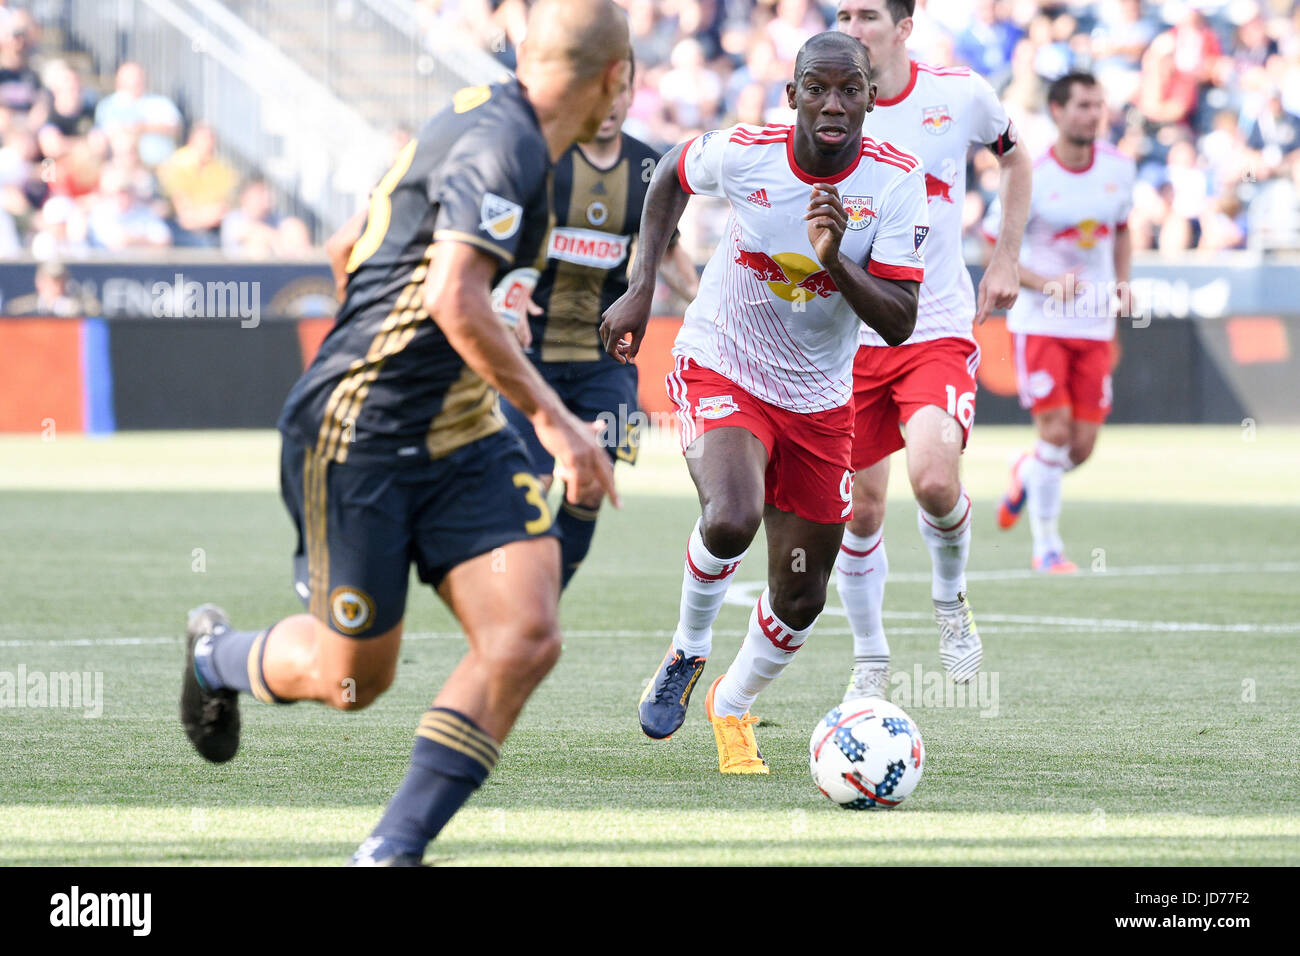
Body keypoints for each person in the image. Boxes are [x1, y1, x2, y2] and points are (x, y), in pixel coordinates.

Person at [178, 0, 630, 866]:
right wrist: (558, 421)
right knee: (351, 681)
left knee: (526, 636)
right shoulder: (512, 147)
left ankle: (391, 849)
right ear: (616, 81)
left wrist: (455, 343)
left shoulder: (480, 113)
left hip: (458, 432)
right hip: (362, 437)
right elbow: (452, 296)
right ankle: (218, 656)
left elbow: (352, 246)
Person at [603, 31, 927, 773]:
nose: (834, 103)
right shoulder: (747, 153)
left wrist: (834, 261)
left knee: (804, 592)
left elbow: (900, 320)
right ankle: (687, 648)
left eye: (851, 89)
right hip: (725, 360)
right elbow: (669, 177)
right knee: (732, 514)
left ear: (872, 99)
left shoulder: (896, 183)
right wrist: (642, 283)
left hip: (819, 396)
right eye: (818, 87)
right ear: (793, 97)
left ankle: (733, 700)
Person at [833, 0, 1031, 700]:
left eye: (866, 16)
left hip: (933, 327)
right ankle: (870, 662)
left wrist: (1005, 258)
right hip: (846, 338)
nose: (852, 29)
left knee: (937, 480)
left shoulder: (959, 95)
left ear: (903, 27)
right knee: (858, 510)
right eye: (843, 14)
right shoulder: (824, 105)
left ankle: (950, 600)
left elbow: (1016, 156)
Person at [501, 54, 698, 589]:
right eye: (600, 88)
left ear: (633, 93)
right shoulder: (544, 157)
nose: (610, 103)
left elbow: (669, 252)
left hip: (603, 362)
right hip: (530, 358)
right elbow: (497, 237)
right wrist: (508, 291)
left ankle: (543, 597)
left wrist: (708, 304)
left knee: (591, 482)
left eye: (621, 90)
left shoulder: (648, 169)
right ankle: (516, 597)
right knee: (531, 482)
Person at [988, 72, 1134, 573]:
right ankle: (1047, 547)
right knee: (1054, 432)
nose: (1094, 114)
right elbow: (994, 243)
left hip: (1093, 323)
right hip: (1040, 322)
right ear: (1057, 111)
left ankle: (1026, 473)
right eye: (1083, 105)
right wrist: (1043, 283)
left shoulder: (1120, 167)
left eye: (1099, 105)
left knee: (1081, 445)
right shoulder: (1031, 172)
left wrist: (1121, 281)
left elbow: (1121, 230)